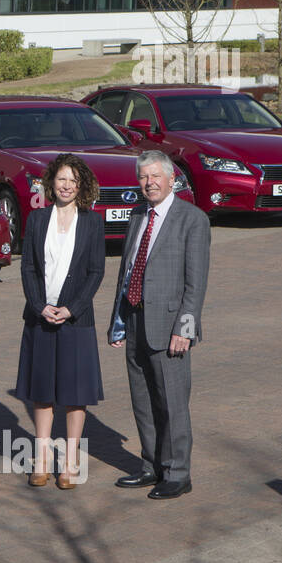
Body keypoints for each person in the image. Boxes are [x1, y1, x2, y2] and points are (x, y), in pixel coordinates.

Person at [107, 149, 210, 499]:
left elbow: (196, 284)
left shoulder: (191, 220)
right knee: (143, 401)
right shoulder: (138, 214)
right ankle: (151, 465)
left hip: (169, 328)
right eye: (143, 177)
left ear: (171, 179)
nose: (149, 183)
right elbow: (127, 271)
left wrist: (185, 328)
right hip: (135, 320)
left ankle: (178, 473)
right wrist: (117, 321)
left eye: (155, 176)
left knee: (173, 404)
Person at [14, 154, 106, 489]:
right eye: (61, 179)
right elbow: (27, 268)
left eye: (73, 180)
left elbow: (96, 271)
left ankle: (69, 463)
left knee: (74, 394)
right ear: (51, 182)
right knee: (42, 392)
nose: (66, 185)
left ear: (81, 186)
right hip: (40, 318)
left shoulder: (92, 222)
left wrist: (72, 308)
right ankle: (40, 460)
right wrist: (40, 305)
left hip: (76, 320)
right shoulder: (37, 219)